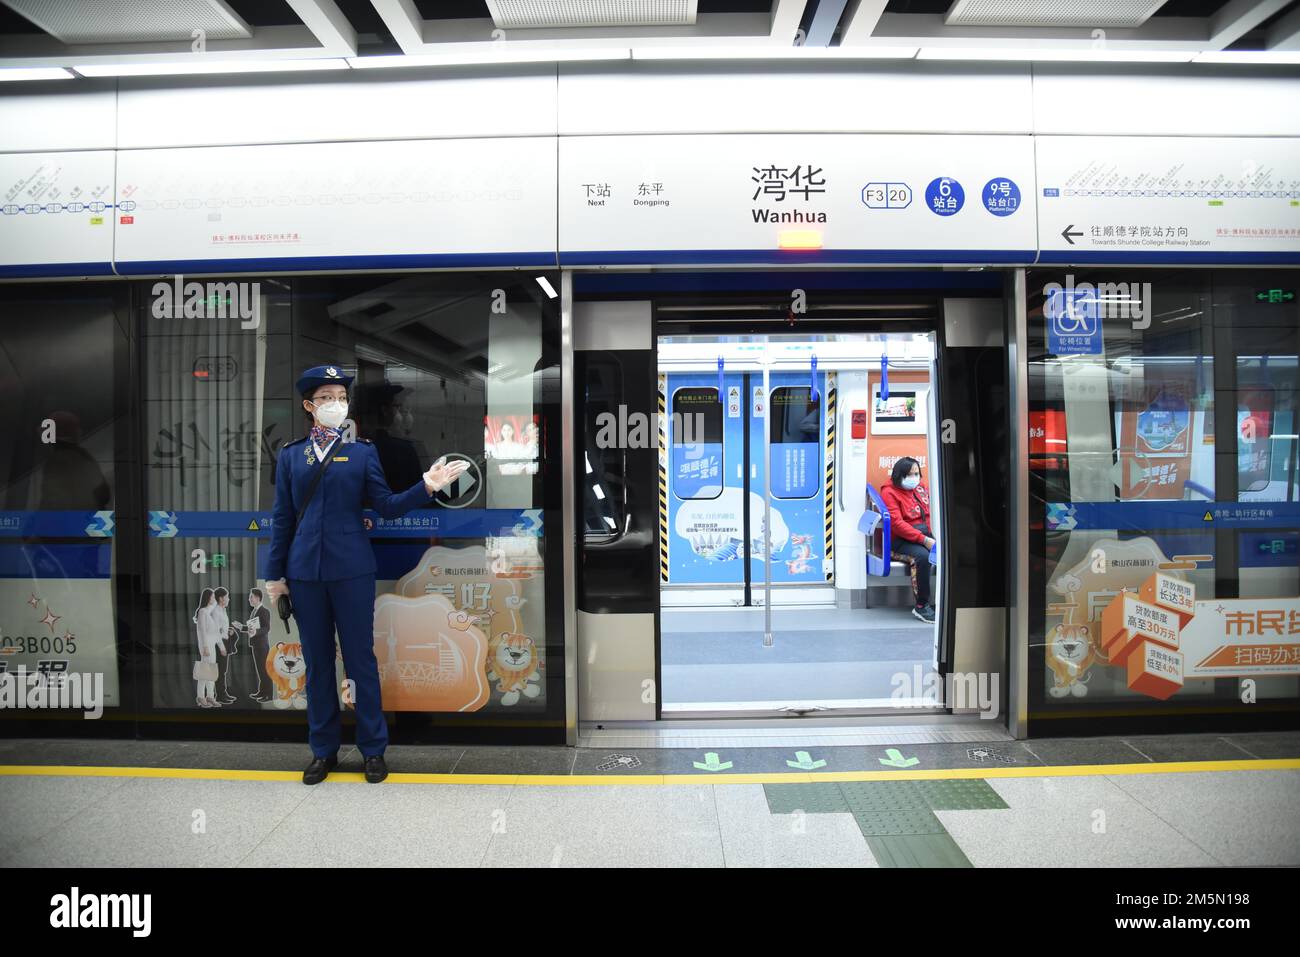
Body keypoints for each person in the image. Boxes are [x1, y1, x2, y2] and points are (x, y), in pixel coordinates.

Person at [264, 364, 469, 786]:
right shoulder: (292, 455)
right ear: (309, 406)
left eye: (341, 398)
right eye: (326, 398)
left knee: (360, 660)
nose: (335, 404)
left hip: (352, 570)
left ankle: (373, 749)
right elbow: (282, 518)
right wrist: (274, 576)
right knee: (318, 664)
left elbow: (386, 506)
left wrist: (426, 486)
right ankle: (323, 750)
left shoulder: (362, 453)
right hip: (304, 572)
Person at [880, 456, 937, 623]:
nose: (914, 478)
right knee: (923, 557)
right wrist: (924, 540)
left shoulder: (921, 488)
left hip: (926, 534)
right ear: (899, 475)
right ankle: (922, 605)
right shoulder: (889, 492)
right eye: (910, 474)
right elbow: (897, 524)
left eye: (917, 473)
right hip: (901, 541)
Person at [242, 588, 273, 703]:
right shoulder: (254, 611)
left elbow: (267, 628)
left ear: (258, 598)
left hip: (262, 645)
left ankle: (268, 695)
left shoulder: (264, 611)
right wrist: (241, 627)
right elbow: (252, 628)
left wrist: (256, 632)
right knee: (260, 670)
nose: (249, 599)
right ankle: (262, 691)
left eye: (251, 597)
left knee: (265, 670)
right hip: (256, 644)